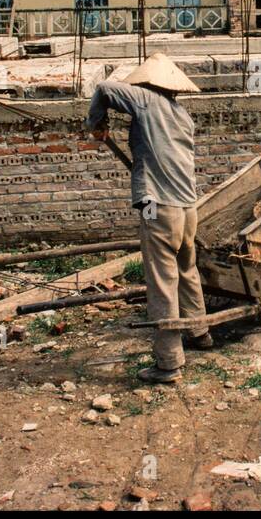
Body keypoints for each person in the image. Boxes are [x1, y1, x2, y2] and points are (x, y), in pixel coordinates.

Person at [87, 52, 209, 383]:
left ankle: (168, 363)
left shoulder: (145, 99)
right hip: (188, 210)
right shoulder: (183, 116)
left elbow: (103, 89)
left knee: (161, 280)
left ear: (147, 83)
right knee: (187, 269)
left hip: (157, 207)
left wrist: (96, 124)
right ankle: (200, 332)